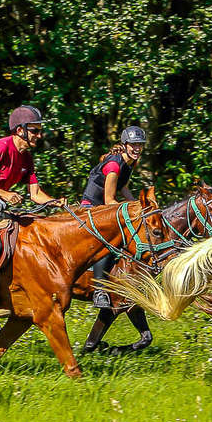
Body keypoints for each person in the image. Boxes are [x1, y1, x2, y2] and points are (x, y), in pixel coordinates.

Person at [0, 105, 62, 324]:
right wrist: (5, 194)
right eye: (35, 131)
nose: (40, 135)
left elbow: (36, 194)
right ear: (20, 130)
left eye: (40, 131)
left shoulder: (26, 157)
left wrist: (55, 202)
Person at [79, 126, 150, 353]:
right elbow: (110, 200)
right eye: (134, 145)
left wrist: (139, 207)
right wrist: (130, 210)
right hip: (92, 209)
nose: (137, 148)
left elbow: (124, 188)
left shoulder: (129, 163)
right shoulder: (113, 164)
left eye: (140, 145)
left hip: (104, 208)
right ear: (125, 145)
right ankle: (100, 290)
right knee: (109, 243)